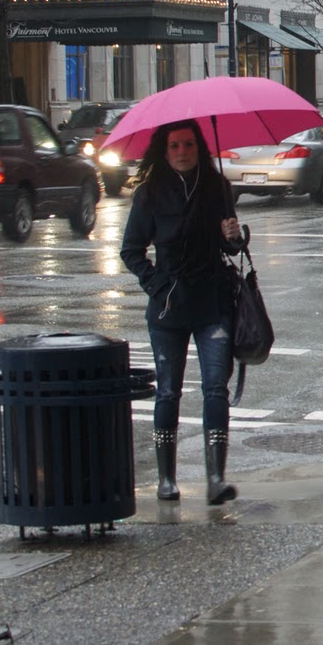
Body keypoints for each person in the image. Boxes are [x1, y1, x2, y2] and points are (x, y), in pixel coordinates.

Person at [120, 119, 246, 505]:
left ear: (199, 147)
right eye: (174, 146)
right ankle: (166, 478)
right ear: (164, 149)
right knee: (169, 391)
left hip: (213, 302)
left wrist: (234, 237)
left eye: (188, 145)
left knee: (214, 389)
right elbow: (131, 251)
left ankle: (215, 477)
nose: (182, 152)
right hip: (169, 308)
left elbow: (232, 250)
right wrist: (158, 286)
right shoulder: (149, 194)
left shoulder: (218, 187)